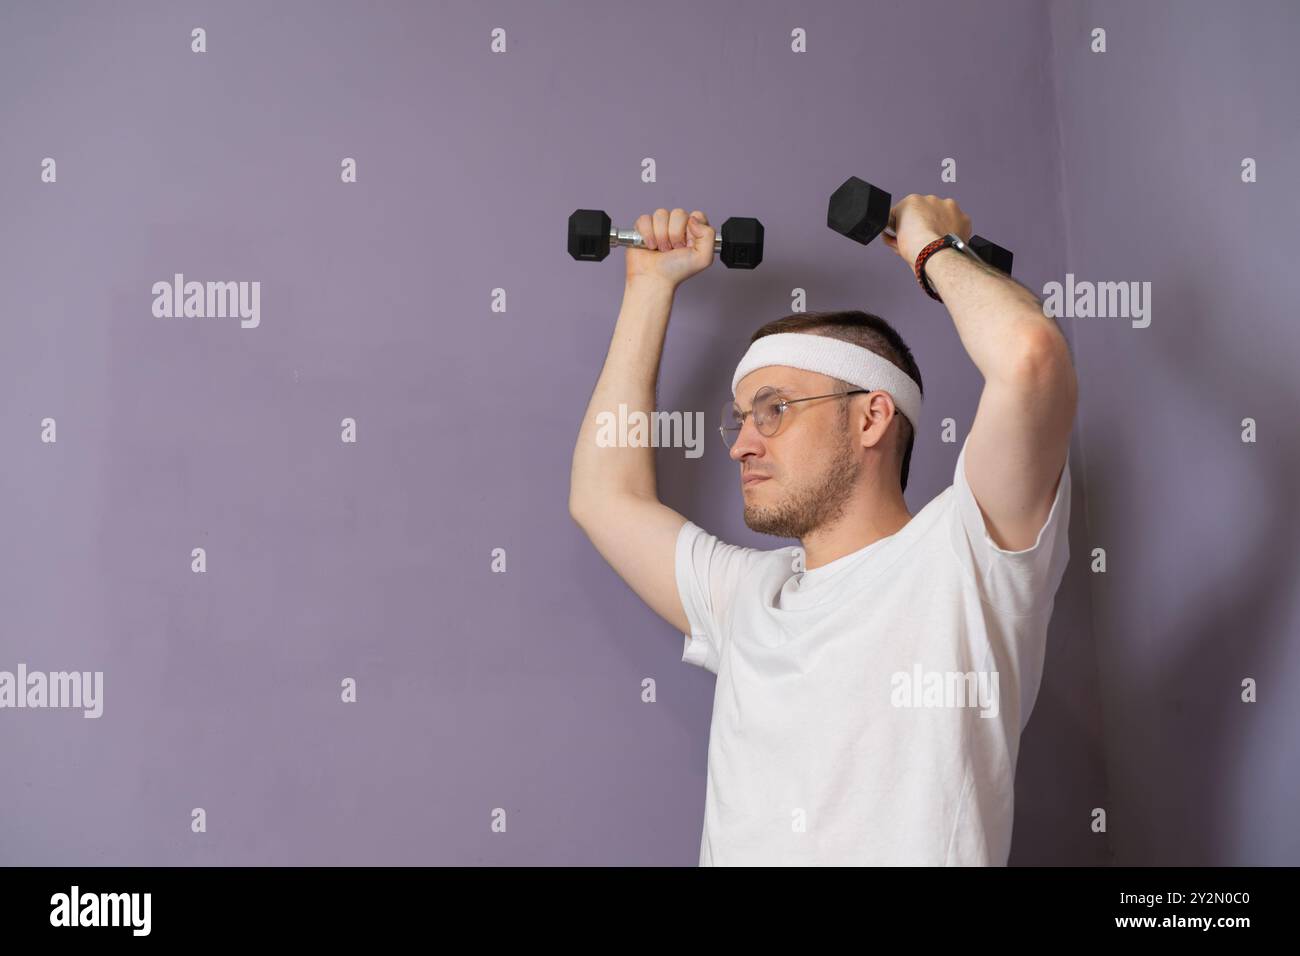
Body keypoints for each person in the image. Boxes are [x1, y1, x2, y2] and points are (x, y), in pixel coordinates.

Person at [568, 200, 1078, 865]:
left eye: (774, 410)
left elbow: (1031, 358)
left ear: (871, 418)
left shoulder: (966, 556)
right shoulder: (746, 595)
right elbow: (604, 496)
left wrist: (930, 247)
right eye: (741, 419)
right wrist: (648, 289)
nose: (741, 445)